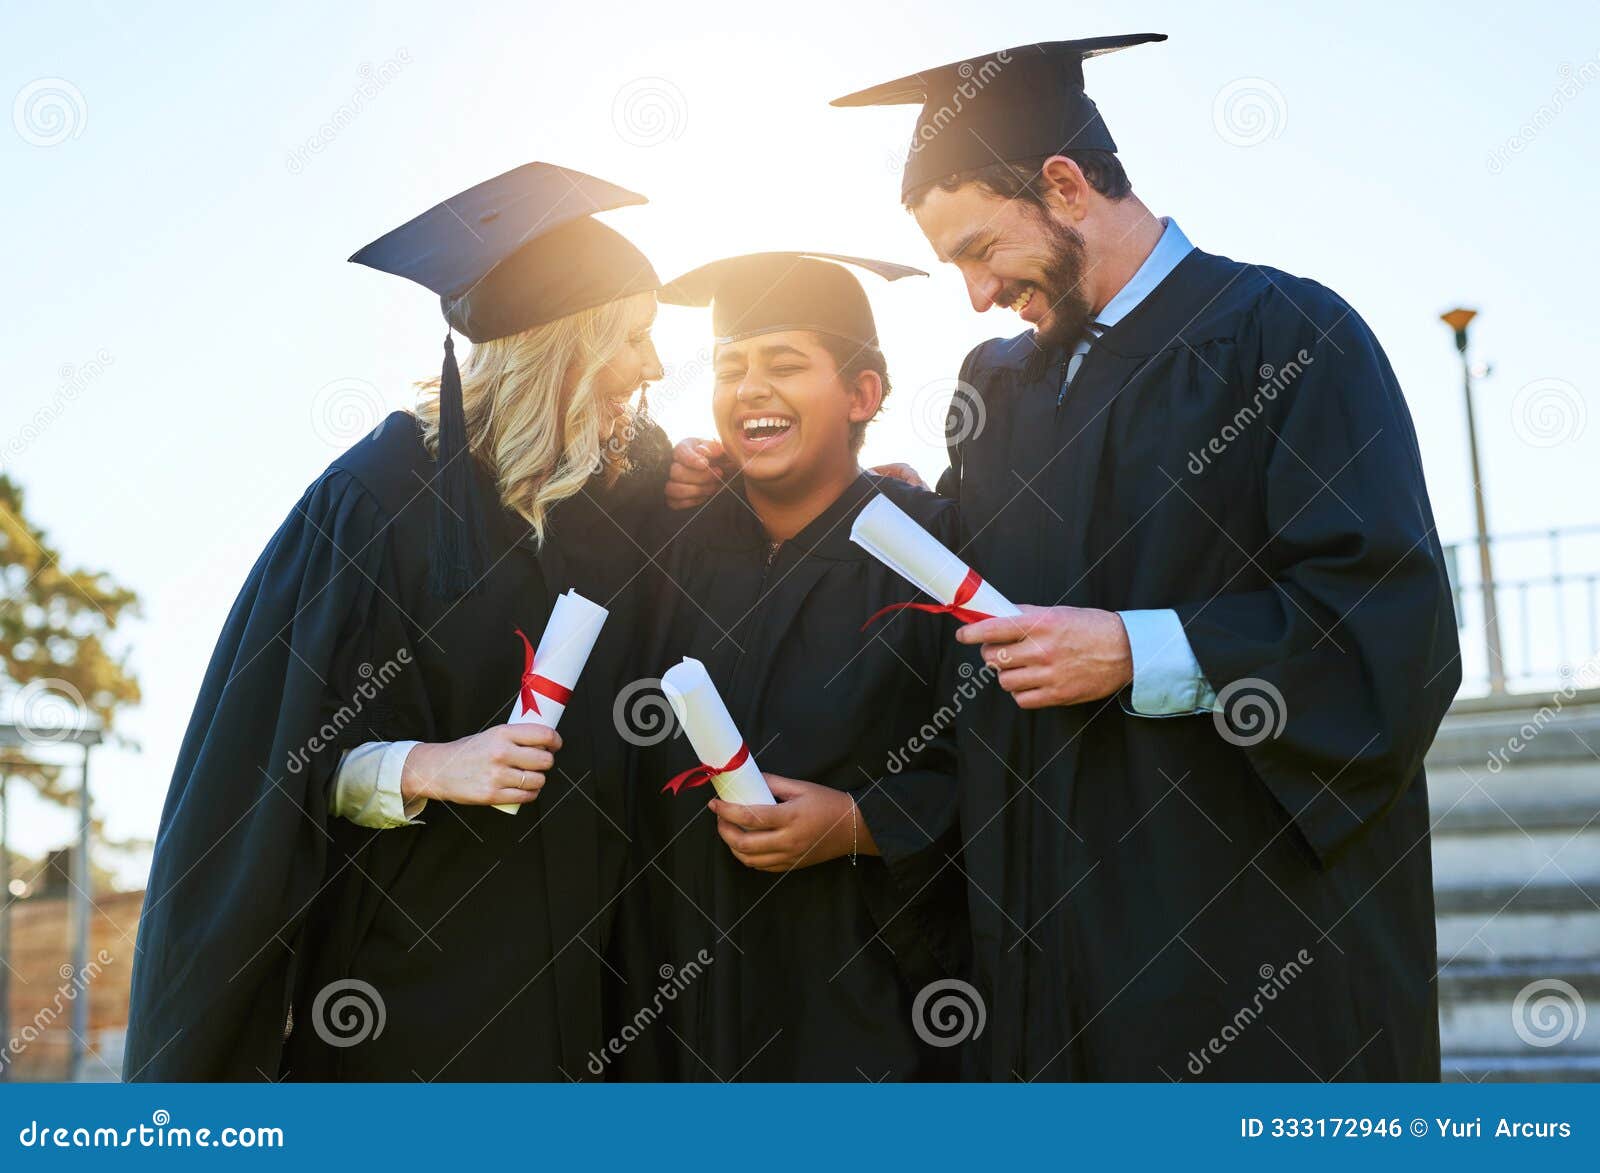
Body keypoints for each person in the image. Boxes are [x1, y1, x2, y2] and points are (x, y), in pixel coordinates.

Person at [673, 36, 1461, 1081]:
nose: (975, 293)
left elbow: (1391, 633)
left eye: (979, 249)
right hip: (1044, 950)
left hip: (1244, 942)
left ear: (1064, 185)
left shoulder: (1285, 339)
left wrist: (1137, 651)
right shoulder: (998, 390)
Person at [125, 163, 670, 1081]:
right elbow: (262, 776)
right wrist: (426, 766)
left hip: (591, 998)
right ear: (563, 347)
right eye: (635, 338)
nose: (655, 368)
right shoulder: (373, 503)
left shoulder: (616, 497)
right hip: (406, 1007)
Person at [611, 253, 969, 1082]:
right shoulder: (669, 550)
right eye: (730, 367)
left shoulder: (937, 549)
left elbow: (1008, 760)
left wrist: (863, 822)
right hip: (674, 1003)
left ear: (862, 395)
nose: (750, 388)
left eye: (784, 363)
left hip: (864, 1004)